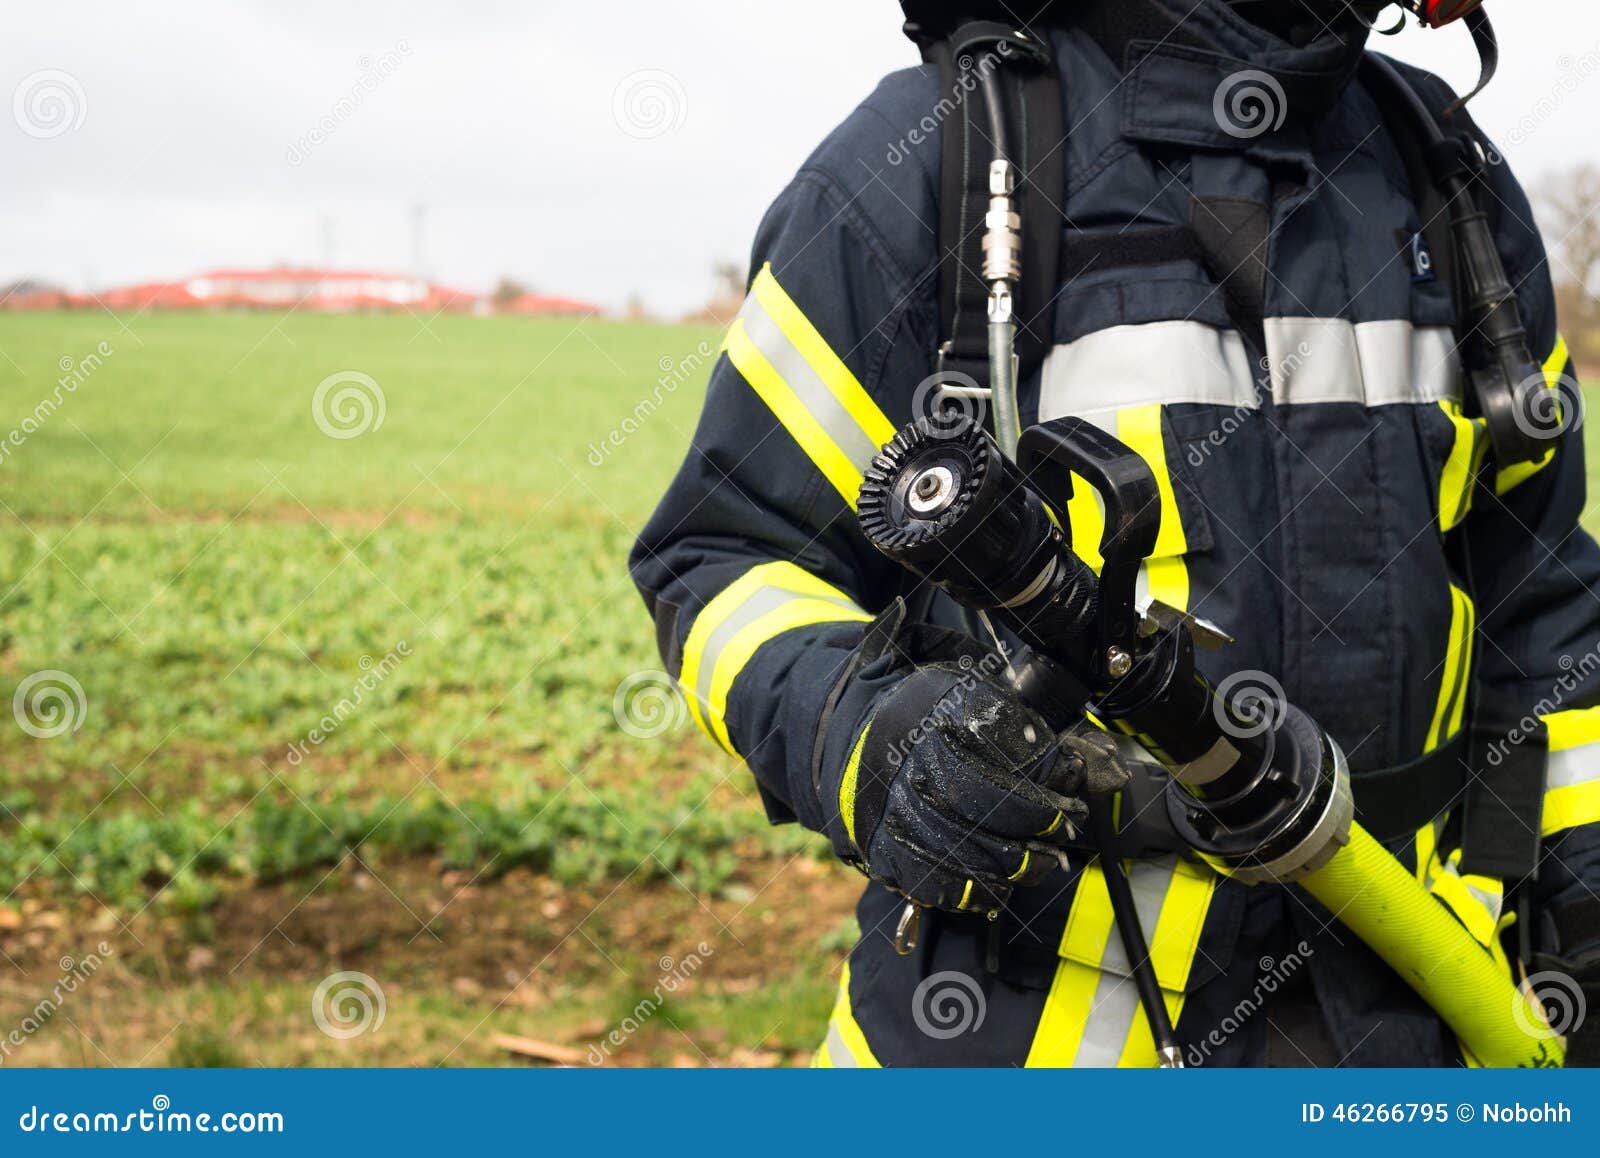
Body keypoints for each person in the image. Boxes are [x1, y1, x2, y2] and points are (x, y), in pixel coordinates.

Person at [630, 0, 1600, 1066]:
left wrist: (1584, 914)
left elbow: (1541, 620)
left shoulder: (1441, 176)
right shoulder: (940, 156)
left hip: (1404, 1042)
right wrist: (869, 737)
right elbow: (724, 556)